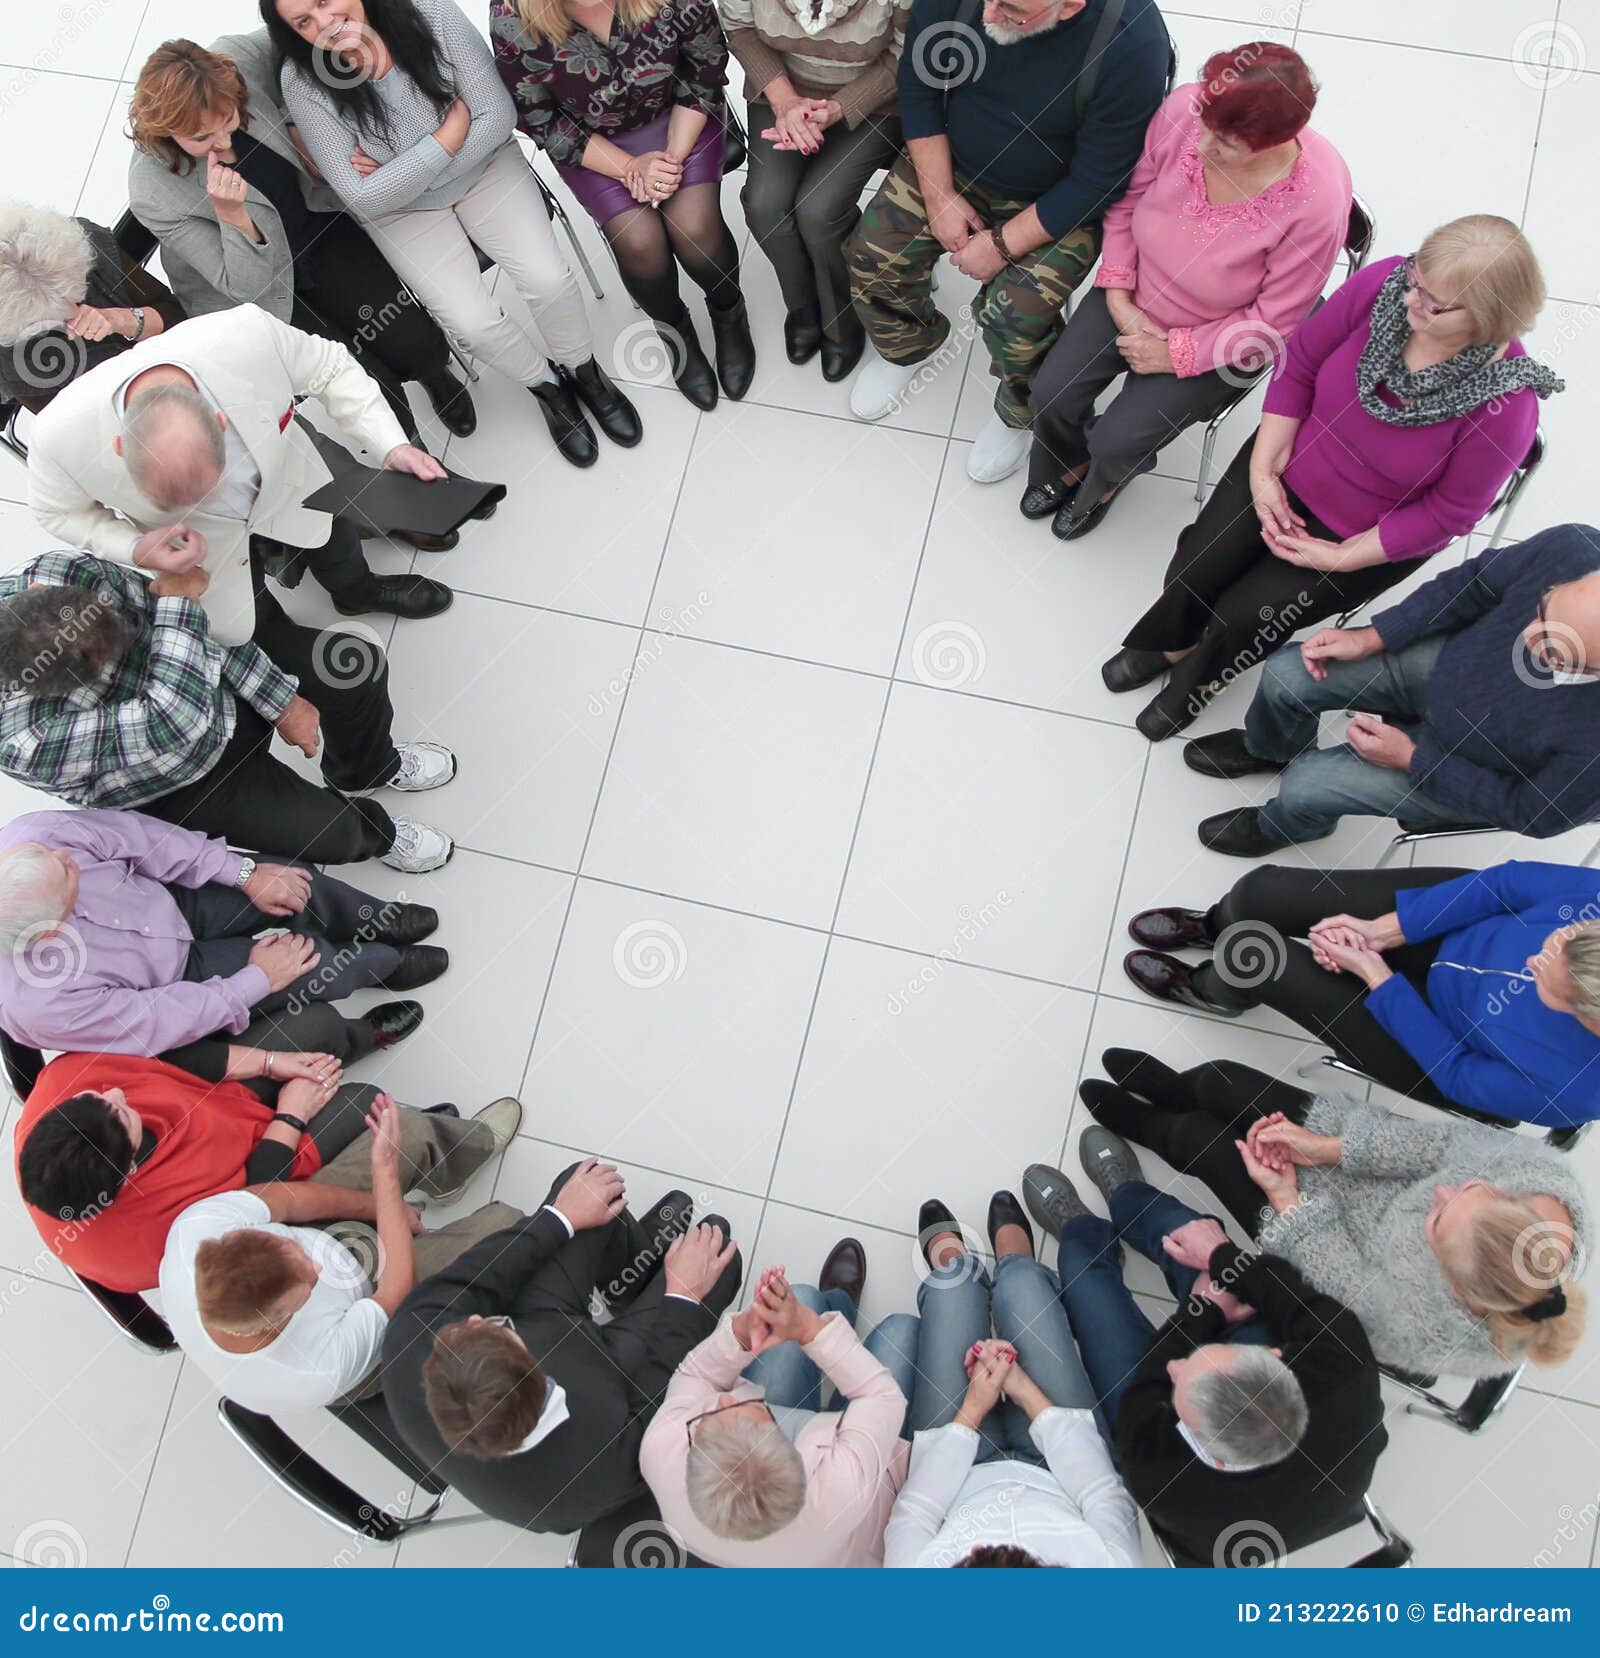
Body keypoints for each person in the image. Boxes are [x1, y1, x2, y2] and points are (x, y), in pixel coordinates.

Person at [1104, 216, 1560, 741]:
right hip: (1288, 459)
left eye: (1434, 303)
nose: (1412, 300)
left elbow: (1449, 515)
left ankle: (1201, 678)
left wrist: (1341, 557)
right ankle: (1173, 640)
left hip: (1362, 533)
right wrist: (1262, 466)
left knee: (1250, 615)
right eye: (1417, 279)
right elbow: (1299, 362)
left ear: (1489, 316)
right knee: (1196, 564)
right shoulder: (1386, 285)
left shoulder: (1505, 405)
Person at [268, 0, 641, 467]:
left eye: (324, 2)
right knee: (471, 324)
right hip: (405, 213)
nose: (323, 23)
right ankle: (546, 385)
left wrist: (400, 169)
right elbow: (361, 198)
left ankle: (584, 371)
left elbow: (499, 116)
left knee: (549, 279)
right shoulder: (302, 82)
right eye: (303, 22)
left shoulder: (431, 13)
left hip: (486, 170)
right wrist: (446, 136)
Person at [1076, 1049, 1589, 1379]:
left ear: (1458, 1287)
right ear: (1513, 1203)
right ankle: (1178, 1092)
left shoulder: (1428, 1332)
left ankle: (1151, 1125)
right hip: (1363, 1157)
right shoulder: (1539, 1177)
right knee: (1221, 1081)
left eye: (1437, 1222)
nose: (1438, 1195)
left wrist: (1285, 1198)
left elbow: (1343, 1285)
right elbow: (1437, 1145)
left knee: (1202, 1144)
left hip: (1321, 1235)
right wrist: (1328, 1148)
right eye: (1465, 1190)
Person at [1024, 44, 1350, 540]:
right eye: (1202, 123)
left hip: (1218, 335)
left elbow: (1273, 322)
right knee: (1051, 393)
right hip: (1134, 287)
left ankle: (1104, 482)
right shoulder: (1187, 108)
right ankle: (1069, 461)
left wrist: (1176, 354)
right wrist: (1117, 293)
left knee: (1117, 440)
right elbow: (1129, 196)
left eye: (1224, 143)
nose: (1199, 144)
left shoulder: (1318, 204)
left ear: (1275, 141)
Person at [1025, 1126, 1386, 1565]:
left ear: (1205, 1450)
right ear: (1277, 1358)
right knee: (1214, 1257)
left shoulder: (1163, 1477)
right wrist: (1218, 1257)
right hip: (1295, 1442)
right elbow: (1292, 1293)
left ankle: (1082, 1233)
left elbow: (1152, 1381)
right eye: (1213, 1356)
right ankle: (1128, 1197)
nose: (1174, 1368)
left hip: (1158, 1427)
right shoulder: (1348, 1369)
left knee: (1088, 1296)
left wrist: (1199, 1312)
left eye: (1179, 1379)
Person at [846, 0, 1169, 484]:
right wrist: (939, 199)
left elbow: (1099, 180)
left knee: (1015, 314)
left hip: (1056, 198)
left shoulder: (1133, 42)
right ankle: (909, 343)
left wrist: (1000, 246)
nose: (989, 14)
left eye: (1012, 10)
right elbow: (918, 88)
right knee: (874, 255)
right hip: (951, 161)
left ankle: (1018, 410)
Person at [0, 551, 455, 872]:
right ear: (45, 689)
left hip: (205, 671)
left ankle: (366, 770)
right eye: (103, 657)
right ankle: (381, 836)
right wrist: (177, 604)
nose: (120, 642)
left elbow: (203, 622)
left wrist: (282, 699)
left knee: (359, 670)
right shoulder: (21, 739)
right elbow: (172, 720)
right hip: (176, 777)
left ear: (41, 591)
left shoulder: (59, 571)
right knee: (331, 837)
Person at [127, 34, 477, 450]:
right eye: (202, 139)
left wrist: (296, 118)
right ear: (165, 130)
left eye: (229, 121)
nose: (222, 142)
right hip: (265, 286)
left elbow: (302, 41)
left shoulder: (237, 59)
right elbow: (245, 287)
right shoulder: (151, 192)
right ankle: (406, 444)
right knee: (362, 381)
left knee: (412, 338)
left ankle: (435, 373)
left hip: (315, 227)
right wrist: (233, 217)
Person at [28, 303, 452, 634]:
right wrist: (136, 548)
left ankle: (359, 593)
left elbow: (330, 367)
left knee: (334, 542)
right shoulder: (57, 438)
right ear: (119, 448)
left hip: (293, 487)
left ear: (220, 419)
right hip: (200, 557)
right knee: (249, 622)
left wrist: (389, 444)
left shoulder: (245, 335)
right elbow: (57, 512)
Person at [1182, 523, 1600, 856]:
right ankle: (1273, 750)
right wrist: (1376, 636)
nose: (1527, 636)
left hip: (1469, 762)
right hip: (1451, 666)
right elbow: (1473, 585)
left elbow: (1534, 813)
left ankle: (1288, 825)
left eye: (1554, 652)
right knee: (1287, 672)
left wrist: (1413, 760)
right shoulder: (1573, 546)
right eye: (1543, 609)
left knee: (1306, 784)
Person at [382, 1163, 740, 1533]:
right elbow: (656, 1396)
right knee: (718, 1252)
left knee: (584, 1185)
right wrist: (681, 1300)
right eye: (495, 1329)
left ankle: (633, 1275)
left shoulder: (410, 1340)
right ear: (536, 1369)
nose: (473, 1318)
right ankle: (655, 1282)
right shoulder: (590, 1482)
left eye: (474, 1324)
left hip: (547, 1318)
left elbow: (480, 1276)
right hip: (615, 1385)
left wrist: (558, 1219)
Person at [1123, 860, 1600, 1130]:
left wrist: (1378, 977)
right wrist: (1387, 930)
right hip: (1458, 924)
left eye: (1546, 984)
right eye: (1556, 944)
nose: (1533, 960)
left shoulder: (1578, 1090)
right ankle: (1212, 926)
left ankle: (1215, 989)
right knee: (1257, 895)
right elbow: (1506, 883)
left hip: (1437, 1041)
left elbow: (1456, 1073)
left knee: (1254, 954)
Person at [12, 1040, 522, 1292]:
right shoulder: (171, 1241)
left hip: (227, 1124)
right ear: (124, 1173)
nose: (121, 1092)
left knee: (316, 1045)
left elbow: (163, 1054)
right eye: (124, 1115)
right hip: (267, 1198)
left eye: (103, 1096)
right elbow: (266, 1199)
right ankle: (447, 1157)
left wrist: (269, 1062)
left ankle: (436, 1164)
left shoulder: (61, 1095)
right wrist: (292, 1113)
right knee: (380, 1112)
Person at [160, 1093, 519, 1411]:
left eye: (287, 1245)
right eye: (309, 1279)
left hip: (324, 1235)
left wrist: (379, 1205)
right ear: (279, 1319)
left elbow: (289, 1202)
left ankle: (464, 1156)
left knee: (407, 1130)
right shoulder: (319, 1367)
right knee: (505, 1230)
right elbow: (396, 1289)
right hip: (372, 1313)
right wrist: (386, 1179)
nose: (315, 1264)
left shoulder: (195, 1231)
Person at [0, 807, 444, 1056]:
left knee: (295, 883)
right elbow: (157, 1019)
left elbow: (145, 839)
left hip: (166, 897)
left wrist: (244, 874)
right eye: (67, 877)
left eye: (54, 856)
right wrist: (258, 980)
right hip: (172, 981)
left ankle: (376, 918)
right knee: (315, 966)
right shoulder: (39, 1006)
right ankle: (385, 965)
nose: (67, 857)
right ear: (51, 932)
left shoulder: (33, 837)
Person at [490, 0, 753, 412]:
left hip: (681, 116)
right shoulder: (512, 18)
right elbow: (542, 121)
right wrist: (630, 167)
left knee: (695, 229)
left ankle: (729, 314)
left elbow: (704, 66)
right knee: (640, 243)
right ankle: (677, 333)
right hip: (595, 148)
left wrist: (668, 161)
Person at [883, 1190, 1140, 1567]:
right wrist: (1025, 1391)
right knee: (1021, 1284)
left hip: (956, 1481)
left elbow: (914, 1515)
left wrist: (971, 1411)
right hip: (1061, 1471)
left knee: (952, 1284)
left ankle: (958, 1266)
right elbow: (1103, 1493)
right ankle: (1016, 1261)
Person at [640, 1240, 917, 1566]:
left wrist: (742, 1333)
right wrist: (807, 1329)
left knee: (800, 1296)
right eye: (750, 1408)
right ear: (791, 1448)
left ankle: (835, 1303)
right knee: (901, 1330)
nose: (726, 1397)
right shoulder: (839, 1495)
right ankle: (831, 1310)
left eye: (712, 1413)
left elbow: (696, 1377)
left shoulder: (660, 1452)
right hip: (866, 1499)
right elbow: (882, 1396)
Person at [722, 0, 910, 384]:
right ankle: (803, 306)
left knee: (818, 210)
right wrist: (785, 100)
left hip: (874, 100)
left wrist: (840, 108)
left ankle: (842, 319)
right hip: (781, 90)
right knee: (763, 205)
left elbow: (906, 54)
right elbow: (739, 29)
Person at [0, 202, 184, 414]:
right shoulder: (9, 361)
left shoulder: (81, 243)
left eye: (73, 294)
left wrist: (124, 320)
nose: (72, 312)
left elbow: (180, 316)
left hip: (186, 365)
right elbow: (76, 431)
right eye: (50, 313)